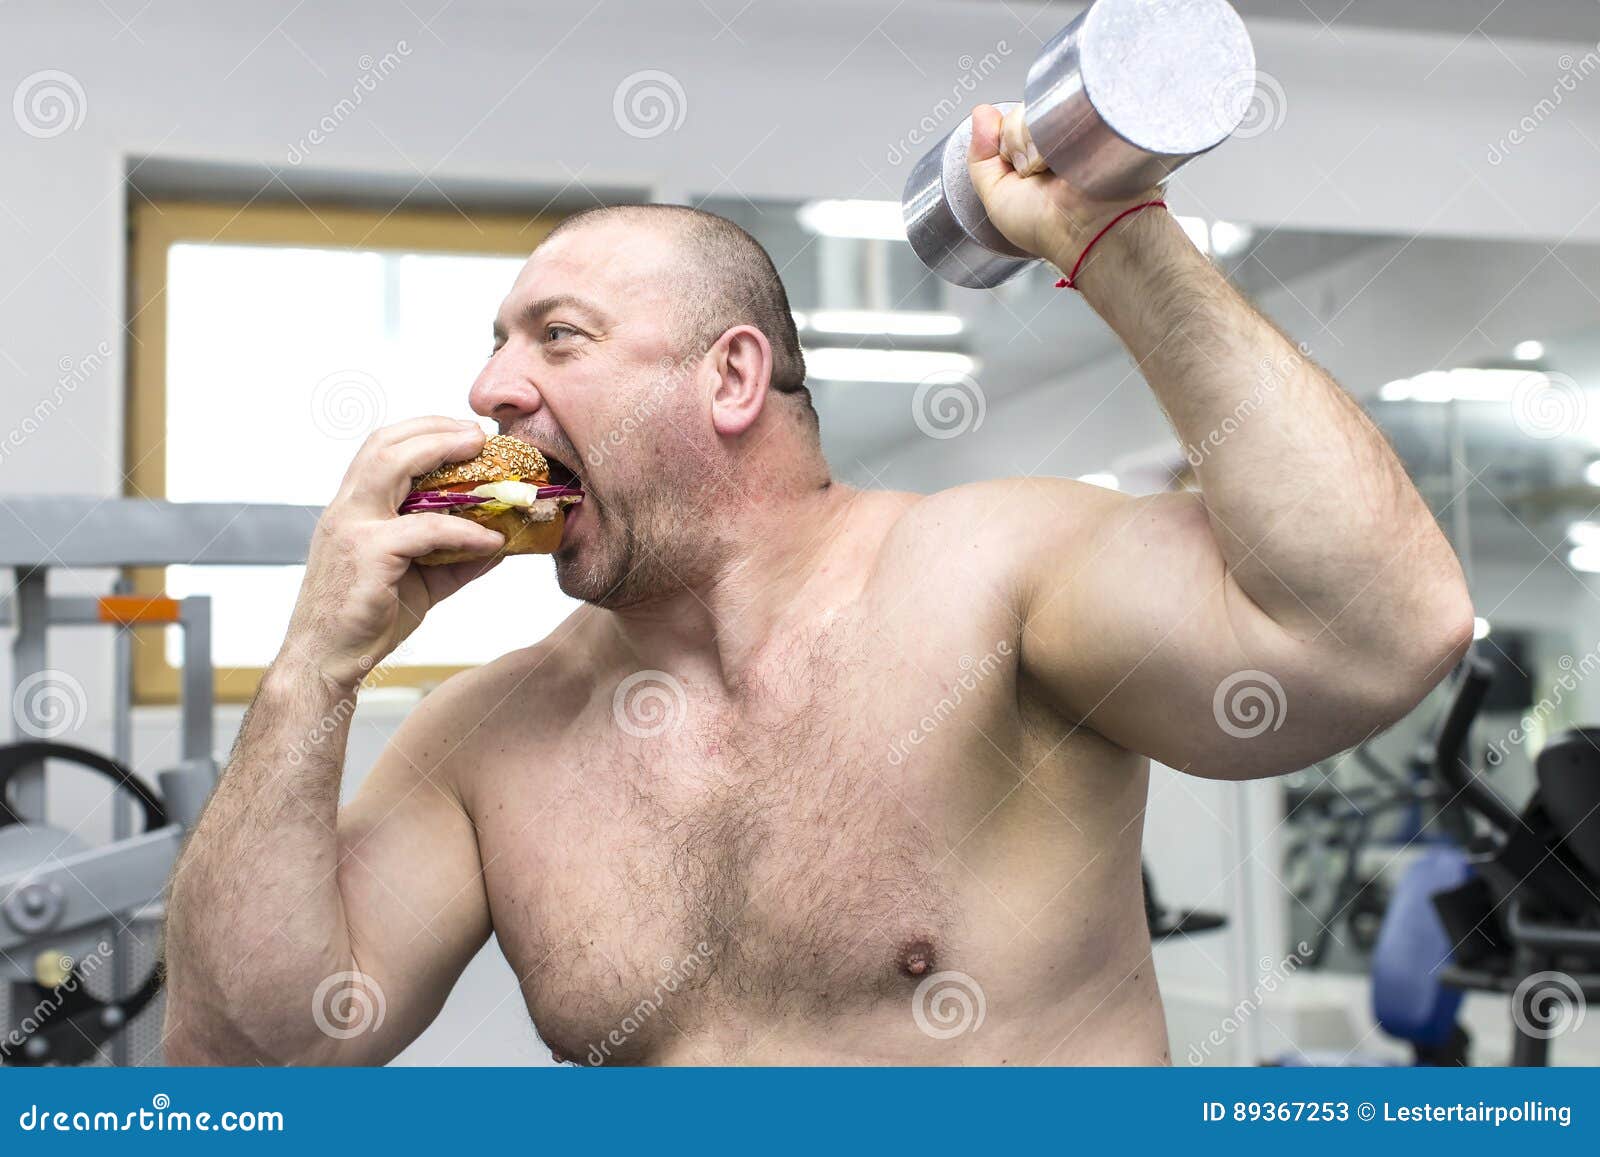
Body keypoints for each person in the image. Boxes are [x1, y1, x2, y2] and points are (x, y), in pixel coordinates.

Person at [162, 105, 1472, 1065]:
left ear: (730, 379)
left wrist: (1113, 238)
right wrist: (313, 668)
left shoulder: (990, 576)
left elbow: (1379, 631)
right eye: (495, 347)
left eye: (556, 337)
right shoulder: (487, 736)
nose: (493, 392)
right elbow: (250, 1063)